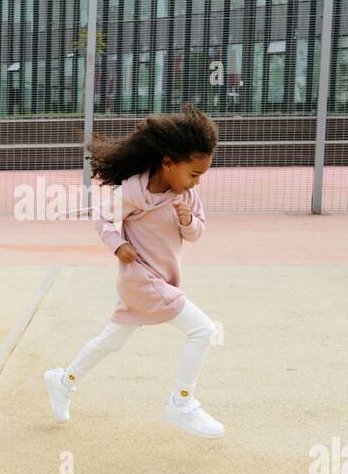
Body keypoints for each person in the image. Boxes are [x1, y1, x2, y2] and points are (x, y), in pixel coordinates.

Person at [43, 103, 223, 438]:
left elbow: (197, 233)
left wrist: (187, 220)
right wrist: (117, 245)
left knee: (111, 340)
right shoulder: (132, 193)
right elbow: (103, 219)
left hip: (161, 278)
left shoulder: (187, 196)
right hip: (141, 280)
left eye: (201, 176)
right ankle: (182, 403)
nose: (196, 183)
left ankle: (64, 381)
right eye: (193, 174)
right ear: (168, 162)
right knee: (203, 330)